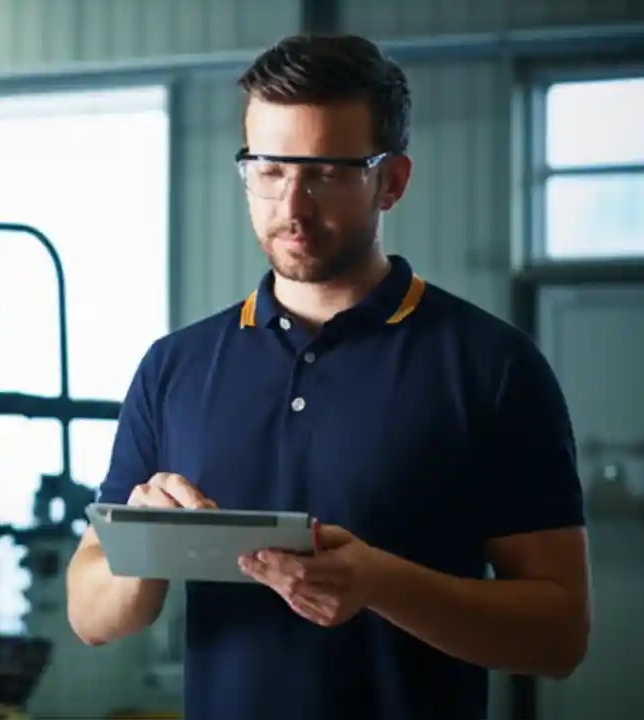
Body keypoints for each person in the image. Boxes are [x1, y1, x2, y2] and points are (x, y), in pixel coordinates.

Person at [64, 34, 590, 720]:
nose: (294, 206)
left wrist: (379, 583)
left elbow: (559, 635)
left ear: (391, 180)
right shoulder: (176, 367)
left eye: (328, 172)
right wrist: (151, 555)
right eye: (269, 170)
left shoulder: (492, 367)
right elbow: (90, 613)